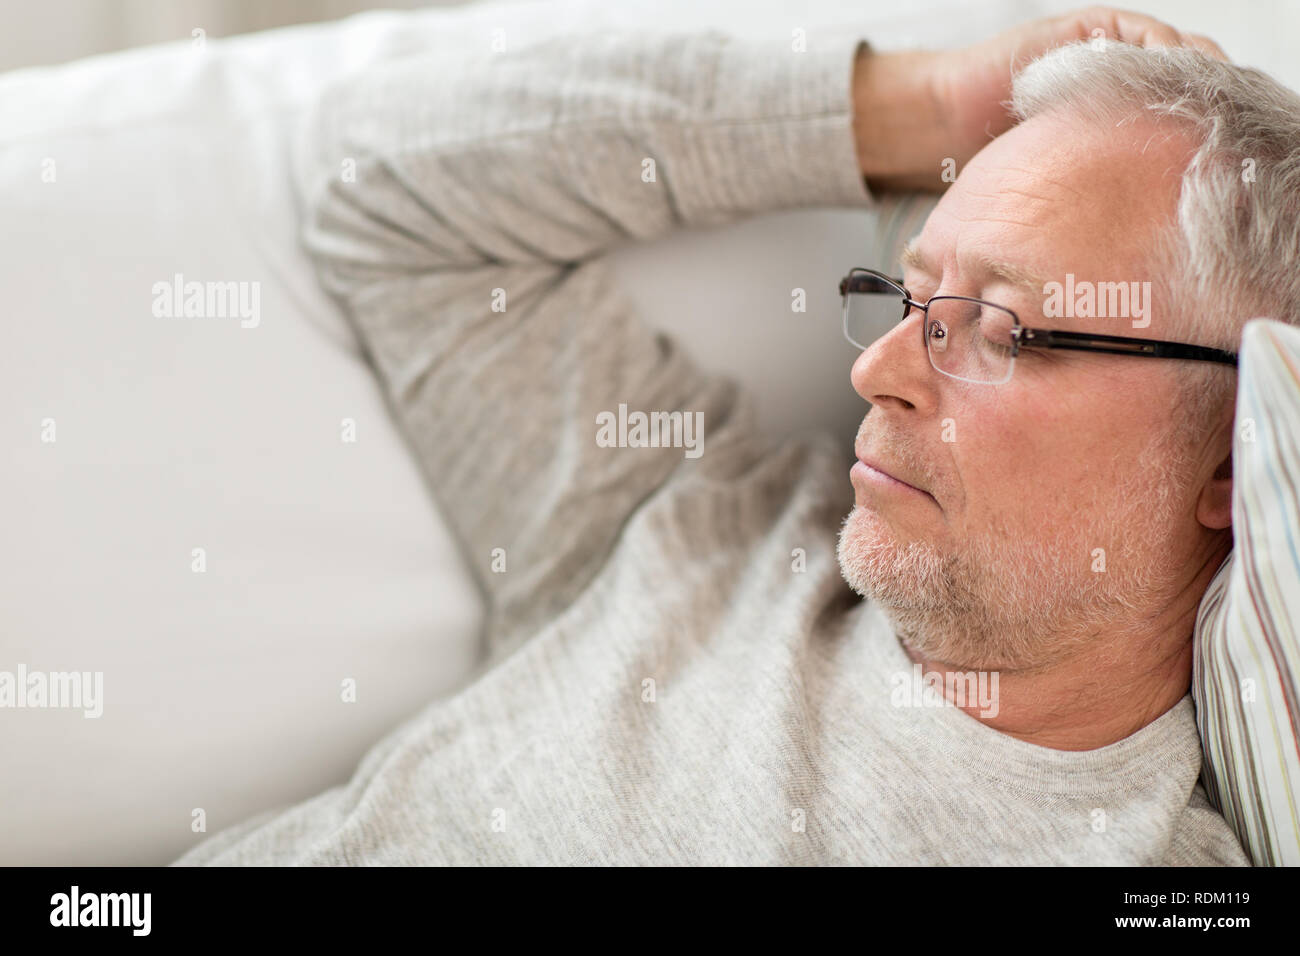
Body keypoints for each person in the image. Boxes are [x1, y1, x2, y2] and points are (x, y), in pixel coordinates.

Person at [177, 6, 1296, 865]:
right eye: (904, 299)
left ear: (1231, 455)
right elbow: (382, 189)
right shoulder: (697, 532)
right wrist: (917, 108)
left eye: (995, 328)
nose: (874, 368)